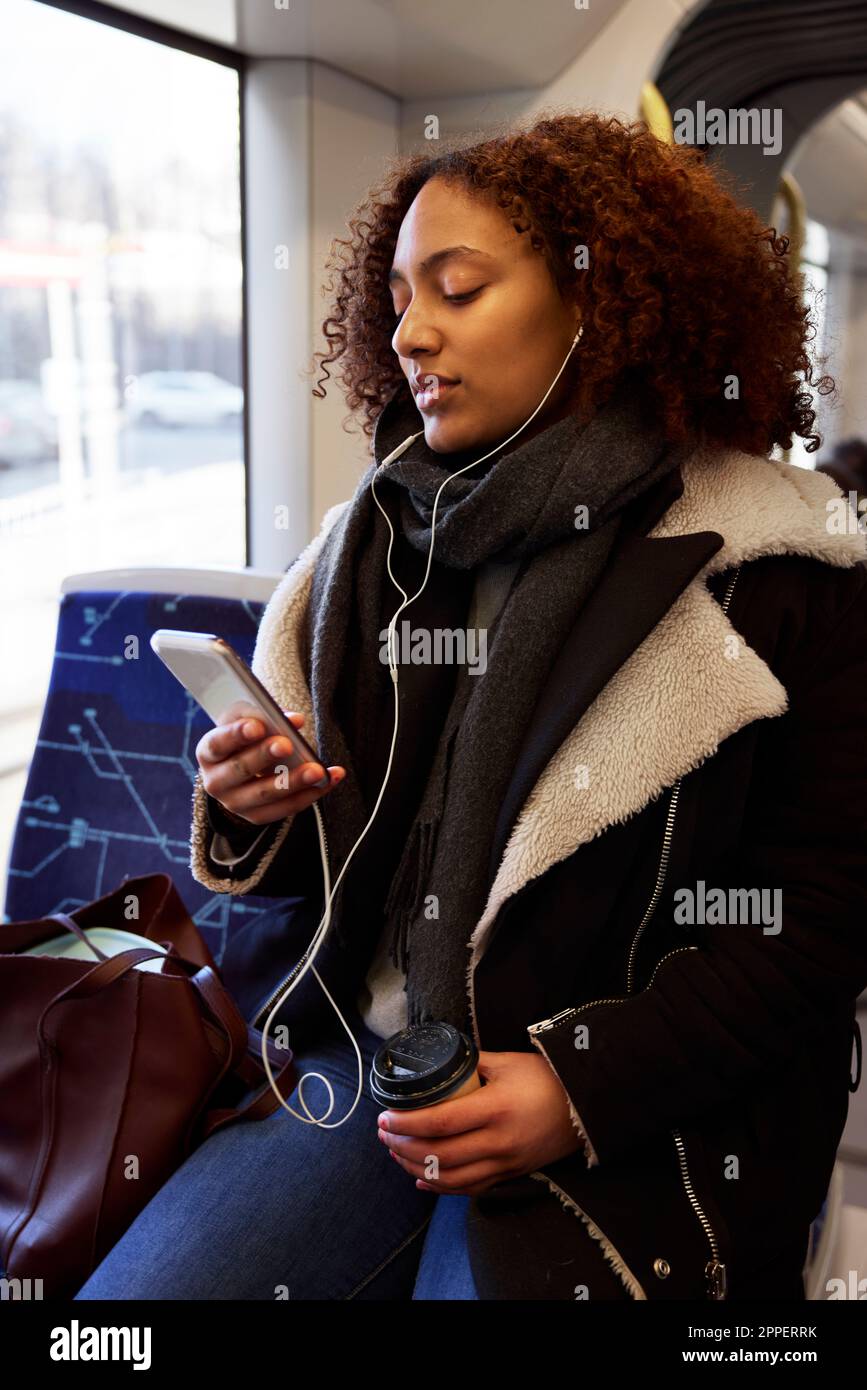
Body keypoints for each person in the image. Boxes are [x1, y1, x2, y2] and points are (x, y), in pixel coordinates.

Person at [74, 111, 867, 1302]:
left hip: (642, 1111)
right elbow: (336, 878)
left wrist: (579, 1084)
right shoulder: (372, 545)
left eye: (457, 287)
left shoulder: (779, 560)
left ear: (598, 302)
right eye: (396, 297)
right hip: (369, 1066)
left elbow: (827, 910)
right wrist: (259, 806)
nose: (410, 333)